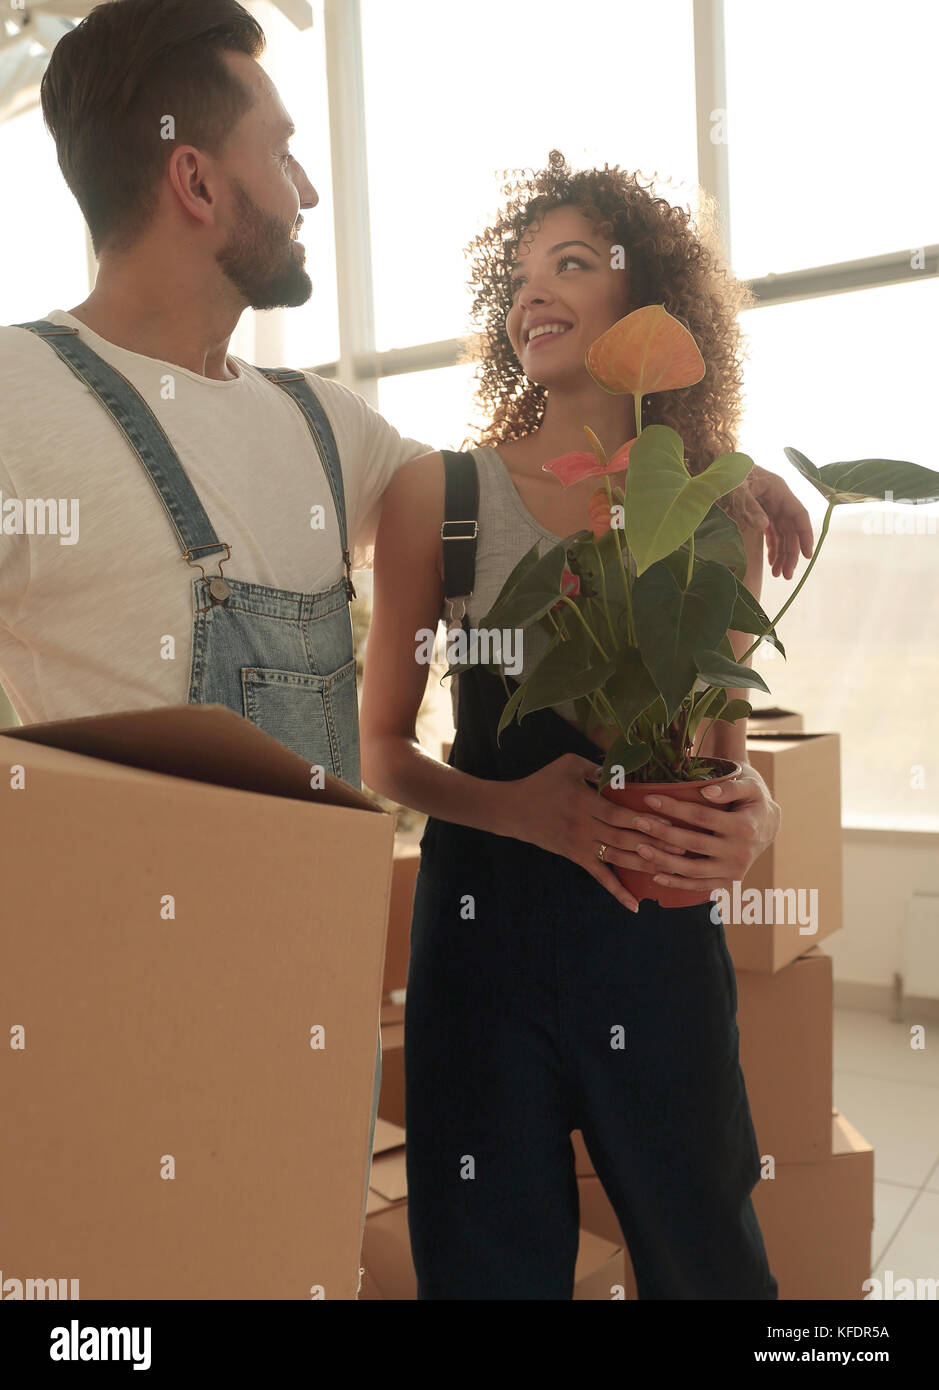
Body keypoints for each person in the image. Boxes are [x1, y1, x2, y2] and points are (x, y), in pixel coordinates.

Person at [360, 151, 800, 1299]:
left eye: (571, 262)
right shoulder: (438, 498)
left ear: (648, 297)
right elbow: (378, 746)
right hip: (480, 943)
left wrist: (754, 811)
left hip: (651, 945)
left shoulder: (709, 506)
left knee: (704, 1250)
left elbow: (718, 762)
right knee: (485, 1263)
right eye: (517, 275)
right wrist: (514, 808)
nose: (531, 294)